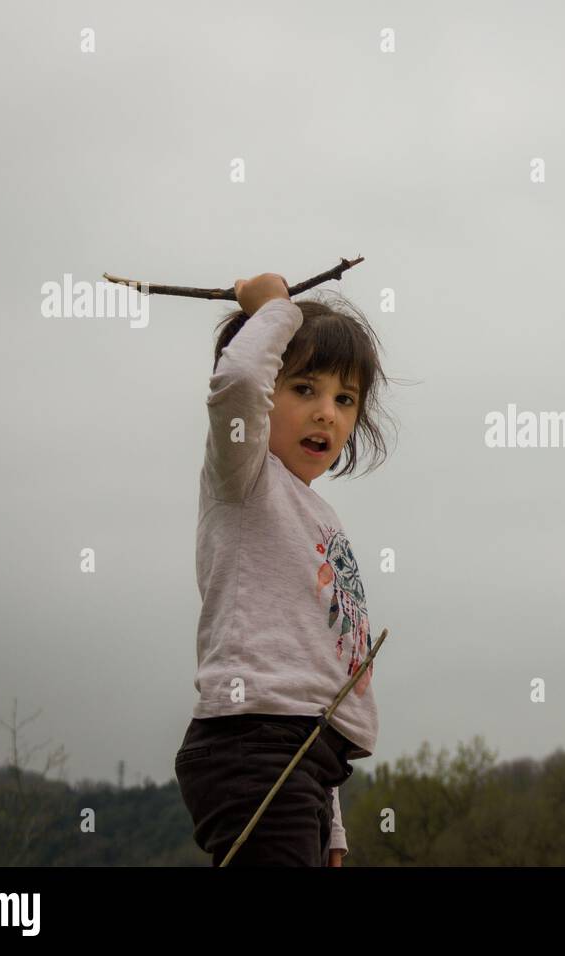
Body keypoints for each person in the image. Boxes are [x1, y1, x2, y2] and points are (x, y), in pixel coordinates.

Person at [174, 272, 396, 866]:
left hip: (302, 761)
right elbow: (239, 381)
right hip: (252, 748)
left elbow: (313, 674)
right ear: (270, 393)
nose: (327, 413)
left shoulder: (318, 514)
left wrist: (333, 823)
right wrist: (274, 310)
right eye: (305, 389)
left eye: (345, 399)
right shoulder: (243, 476)